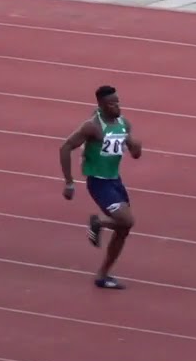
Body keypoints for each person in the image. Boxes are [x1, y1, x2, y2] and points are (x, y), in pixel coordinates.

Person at [59, 85, 143, 289]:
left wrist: (135, 146)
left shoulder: (124, 123)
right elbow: (66, 147)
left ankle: (103, 275)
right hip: (98, 182)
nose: (117, 106)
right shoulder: (92, 126)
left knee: (123, 230)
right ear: (101, 105)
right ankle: (97, 224)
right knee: (127, 220)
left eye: (118, 102)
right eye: (111, 104)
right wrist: (69, 182)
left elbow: (135, 153)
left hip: (115, 180)